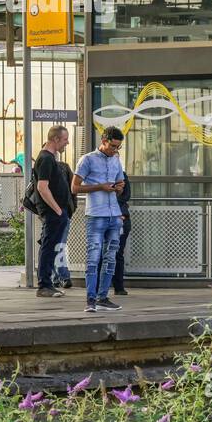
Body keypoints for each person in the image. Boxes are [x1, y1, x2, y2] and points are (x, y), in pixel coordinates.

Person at [72, 126, 127, 313]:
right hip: (96, 215)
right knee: (93, 258)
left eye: (118, 147)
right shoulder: (87, 160)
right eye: (112, 146)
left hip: (114, 214)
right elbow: (74, 188)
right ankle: (90, 299)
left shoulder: (116, 160)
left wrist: (119, 187)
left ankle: (103, 297)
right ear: (103, 141)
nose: (115, 150)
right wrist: (100, 187)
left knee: (110, 258)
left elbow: (121, 182)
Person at [33, 125, 72, 299]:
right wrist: (57, 210)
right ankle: (44, 285)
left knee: (51, 247)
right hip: (52, 212)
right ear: (55, 139)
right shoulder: (46, 158)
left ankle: (47, 283)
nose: (67, 143)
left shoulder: (49, 158)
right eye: (65, 139)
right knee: (49, 247)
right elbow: (42, 187)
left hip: (56, 212)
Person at [52, 158, 78, 289]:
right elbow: (73, 191)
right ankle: (59, 276)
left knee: (55, 246)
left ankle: (59, 277)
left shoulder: (58, 167)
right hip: (63, 212)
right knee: (58, 246)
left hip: (55, 213)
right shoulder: (64, 167)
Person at [111, 170, 131, 297]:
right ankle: (99, 287)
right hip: (105, 217)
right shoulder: (100, 173)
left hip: (121, 217)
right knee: (102, 253)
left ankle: (118, 286)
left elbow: (126, 195)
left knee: (118, 253)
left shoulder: (122, 175)